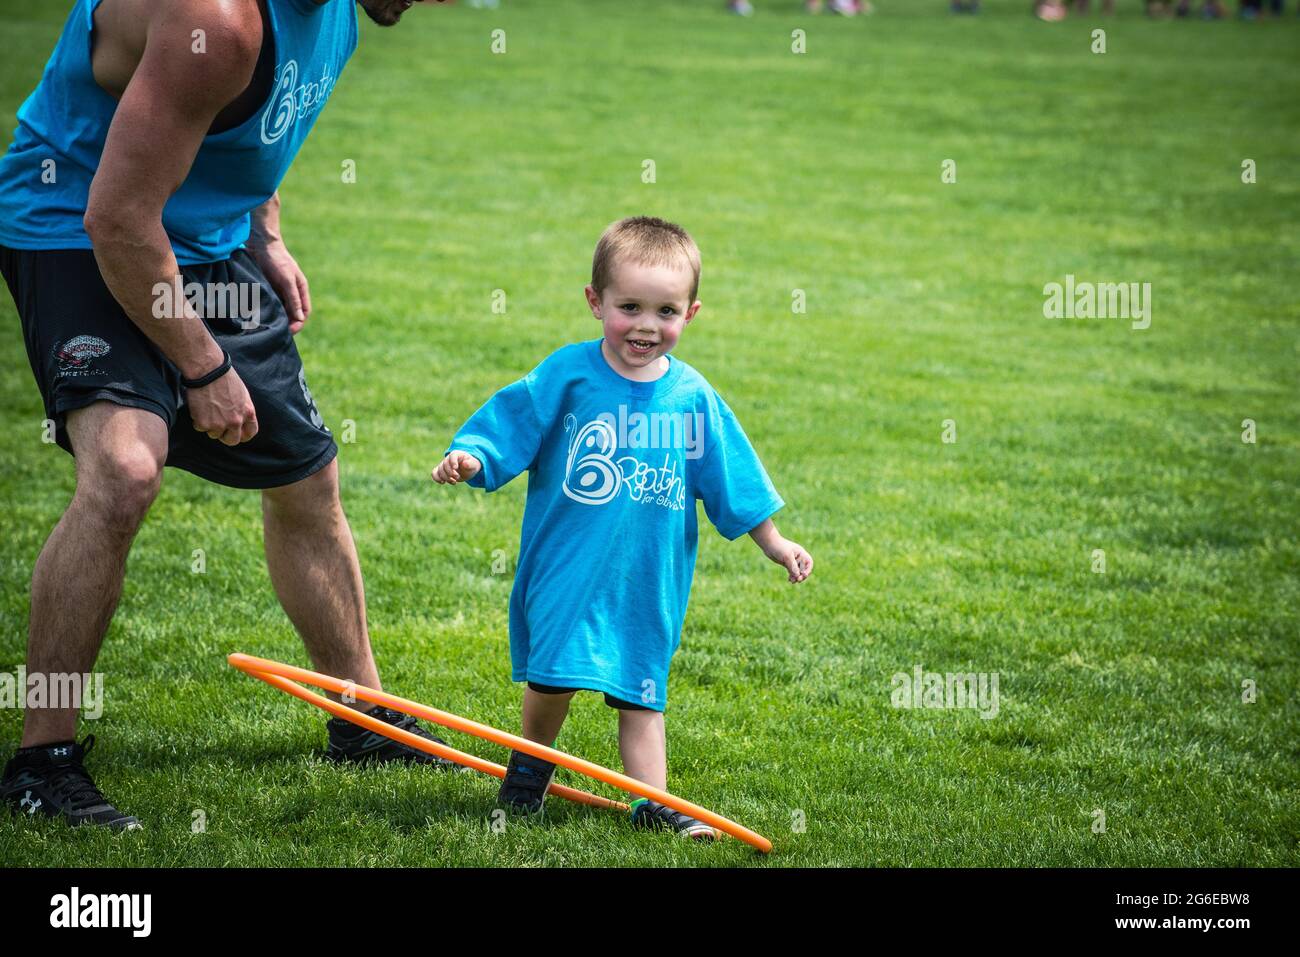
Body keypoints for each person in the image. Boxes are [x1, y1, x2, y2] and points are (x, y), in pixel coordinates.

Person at [0, 0, 455, 832]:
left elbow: (249, 131)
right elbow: (117, 217)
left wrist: (267, 233)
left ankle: (363, 719)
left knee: (308, 477)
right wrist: (202, 364)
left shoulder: (347, 14)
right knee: (125, 472)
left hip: (208, 241)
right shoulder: (220, 18)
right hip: (77, 225)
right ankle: (41, 760)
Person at [431, 216, 813, 839]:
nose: (645, 325)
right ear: (594, 301)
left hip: (646, 578)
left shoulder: (692, 398)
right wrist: (474, 456)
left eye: (665, 311)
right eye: (628, 306)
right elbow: (511, 420)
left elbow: (732, 477)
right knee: (553, 678)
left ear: (691, 313)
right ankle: (529, 774)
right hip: (567, 566)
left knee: (642, 693)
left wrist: (774, 542)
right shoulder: (570, 375)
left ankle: (652, 804)